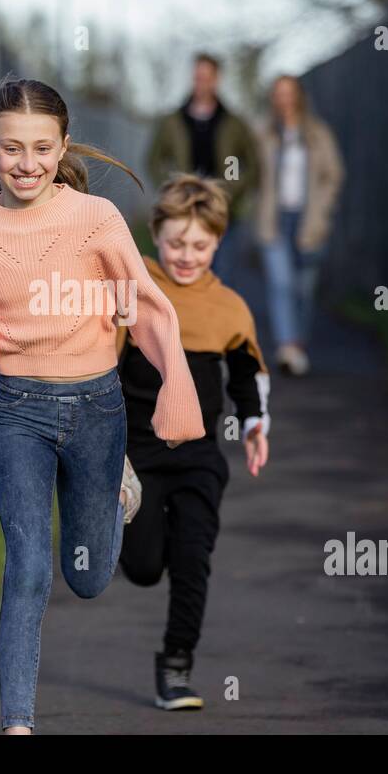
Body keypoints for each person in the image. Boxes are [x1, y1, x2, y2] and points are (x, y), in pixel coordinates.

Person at [0, 78, 206, 735]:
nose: (28, 163)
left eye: (43, 148)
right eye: (12, 148)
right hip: (17, 410)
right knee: (25, 566)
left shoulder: (95, 221)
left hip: (96, 407)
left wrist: (173, 386)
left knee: (86, 579)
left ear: (63, 146)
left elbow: (146, 305)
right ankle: (18, 724)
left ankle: (115, 494)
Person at [114, 175, 271, 711]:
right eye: (176, 243)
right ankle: (116, 538)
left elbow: (246, 372)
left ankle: (177, 665)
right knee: (142, 566)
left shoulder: (228, 306)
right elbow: (99, 366)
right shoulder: (132, 293)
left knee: (192, 558)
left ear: (217, 243)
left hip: (199, 455)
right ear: (155, 233)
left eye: (199, 246)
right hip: (136, 455)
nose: (186, 256)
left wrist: (253, 423)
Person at [251, 74, 345, 376]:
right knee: (280, 284)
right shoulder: (264, 134)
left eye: (289, 93)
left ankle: (299, 344)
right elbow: (251, 172)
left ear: (299, 96)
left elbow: (334, 173)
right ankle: (287, 347)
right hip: (274, 220)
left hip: (308, 222)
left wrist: (324, 209)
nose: (284, 99)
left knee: (304, 288)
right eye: (278, 93)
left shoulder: (317, 133)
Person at [146, 53, 260, 289]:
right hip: (183, 211)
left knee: (221, 280)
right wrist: (172, 188)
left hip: (224, 212)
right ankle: (182, 325)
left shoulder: (232, 122)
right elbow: (154, 160)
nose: (202, 83)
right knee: (181, 278)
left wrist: (232, 186)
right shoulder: (174, 120)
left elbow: (249, 162)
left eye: (207, 77)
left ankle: (219, 326)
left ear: (216, 79)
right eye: (198, 77)